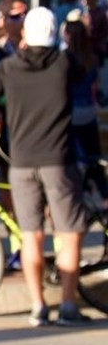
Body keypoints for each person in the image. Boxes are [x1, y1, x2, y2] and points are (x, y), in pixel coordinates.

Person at [0, 6, 91, 328]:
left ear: (24, 35)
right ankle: (67, 305)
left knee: (31, 236)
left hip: (21, 164)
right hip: (59, 162)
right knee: (70, 234)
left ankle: (37, 306)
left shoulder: (8, 69)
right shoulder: (64, 64)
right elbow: (81, 70)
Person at [62, 12, 108, 206]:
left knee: (72, 157)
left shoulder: (63, 60)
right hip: (88, 111)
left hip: (71, 113)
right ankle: (104, 194)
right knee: (93, 156)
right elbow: (95, 88)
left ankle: (80, 192)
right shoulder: (91, 59)